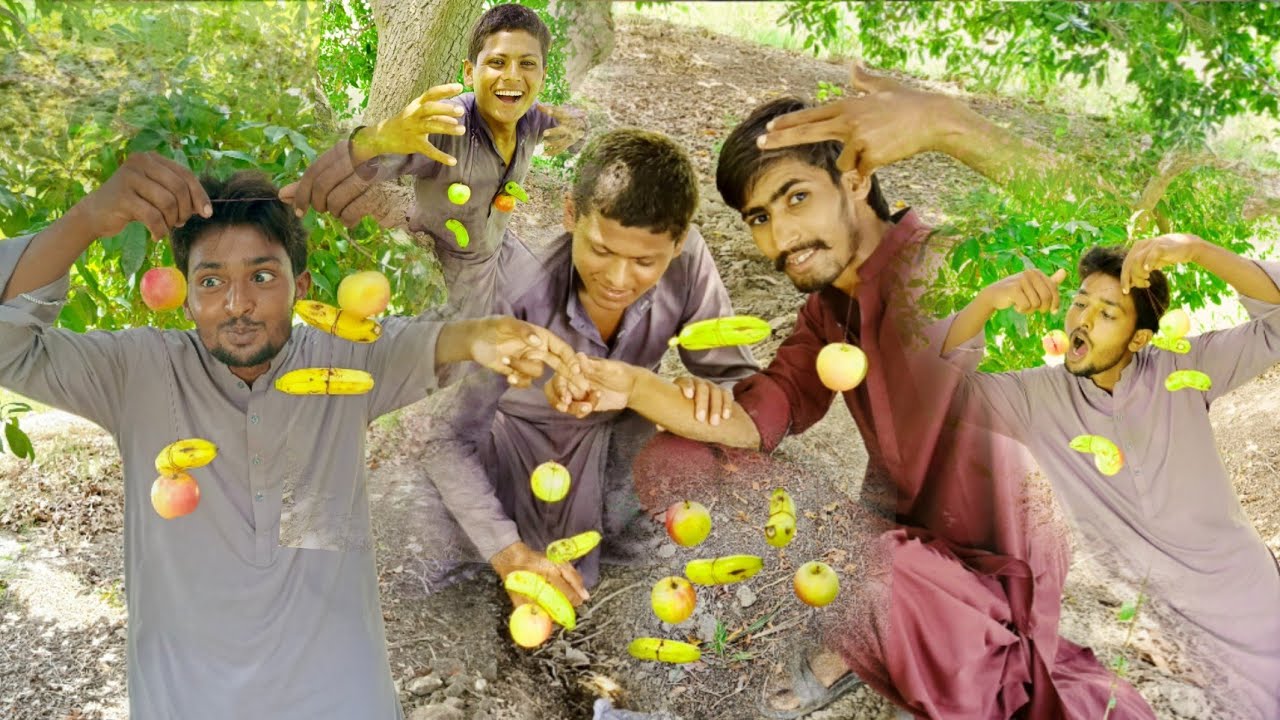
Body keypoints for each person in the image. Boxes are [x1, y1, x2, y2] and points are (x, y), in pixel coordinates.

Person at [552, 67, 1154, 718]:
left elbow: (1121, 229)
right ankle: (866, 630)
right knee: (679, 459)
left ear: (856, 177)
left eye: (796, 198)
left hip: (994, 566)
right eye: (760, 216)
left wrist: (944, 124)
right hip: (894, 539)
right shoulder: (829, 311)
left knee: (889, 586)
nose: (780, 237)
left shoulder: (949, 263)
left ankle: (939, 643)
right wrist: (629, 383)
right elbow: (758, 421)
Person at [0, 153, 586, 719]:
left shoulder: (347, 360)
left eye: (261, 276)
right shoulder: (135, 373)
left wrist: (491, 337)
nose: (238, 304)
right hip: (187, 700)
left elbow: (452, 340)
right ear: (184, 296)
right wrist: (85, 220)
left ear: (301, 286)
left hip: (342, 695)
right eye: (210, 281)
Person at [939, 236, 1280, 719]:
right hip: (1158, 629)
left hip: (1246, 597)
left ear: (1138, 338)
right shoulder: (1035, 398)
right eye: (1080, 303)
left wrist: (1196, 250)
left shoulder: (1185, 368)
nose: (1082, 319)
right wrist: (987, 301)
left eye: (1106, 313)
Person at [415, 129, 758, 605]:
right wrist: (506, 551)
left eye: (644, 261)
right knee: (467, 557)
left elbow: (739, 389)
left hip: (617, 442)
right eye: (600, 250)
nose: (618, 280)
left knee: (710, 442)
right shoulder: (516, 285)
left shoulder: (688, 259)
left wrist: (702, 388)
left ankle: (623, 541)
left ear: (678, 243)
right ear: (571, 215)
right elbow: (444, 439)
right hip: (515, 447)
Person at [282, 3, 586, 322]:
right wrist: (376, 138)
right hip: (447, 270)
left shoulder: (534, 117)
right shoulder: (446, 124)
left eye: (527, 63)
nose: (512, 76)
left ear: (542, 74)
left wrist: (577, 125)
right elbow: (369, 161)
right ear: (470, 72)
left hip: (501, 250)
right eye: (497, 62)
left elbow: (572, 127)